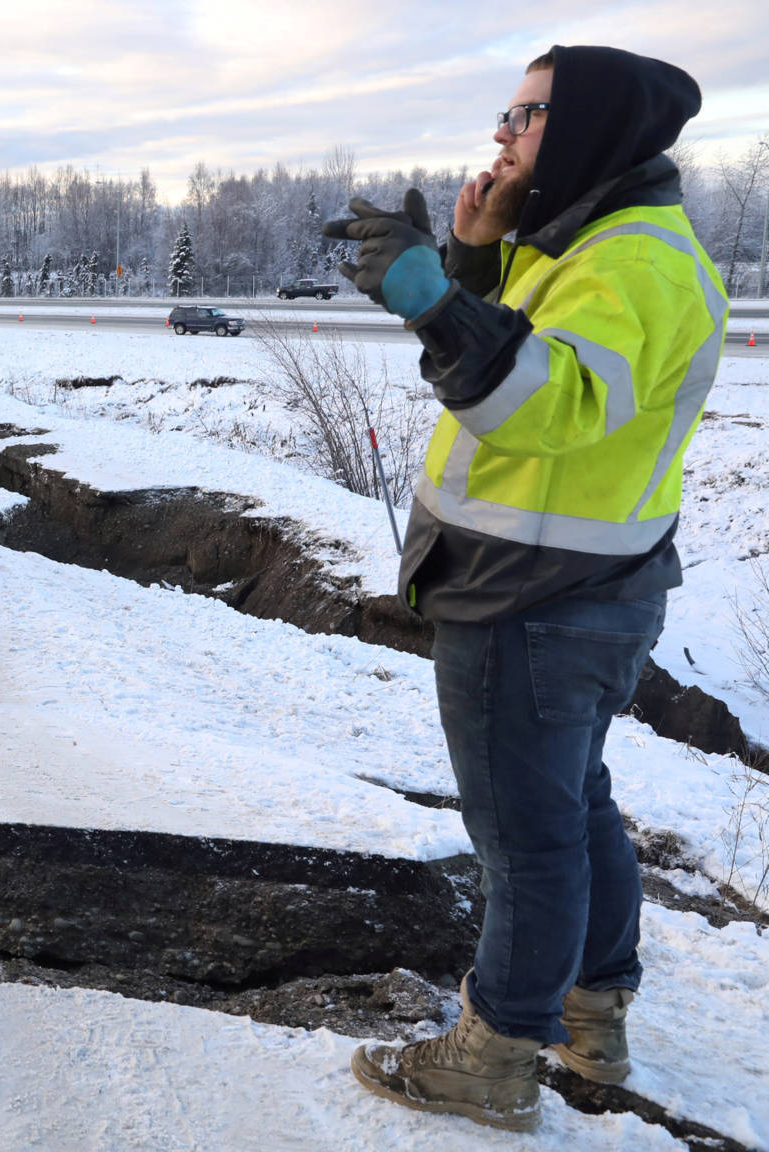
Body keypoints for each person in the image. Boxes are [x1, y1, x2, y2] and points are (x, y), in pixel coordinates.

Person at [325, 46, 726, 1132]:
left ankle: (492, 1052)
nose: (502, 131)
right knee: (571, 806)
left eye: (529, 113)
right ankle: (591, 1012)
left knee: (521, 836)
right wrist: (468, 255)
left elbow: (539, 402)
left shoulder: (631, 264)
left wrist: (424, 298)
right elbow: (531, 343)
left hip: (533, 603)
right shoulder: (594, 241)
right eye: (504, 110)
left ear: (590, 126)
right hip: (579, 585)